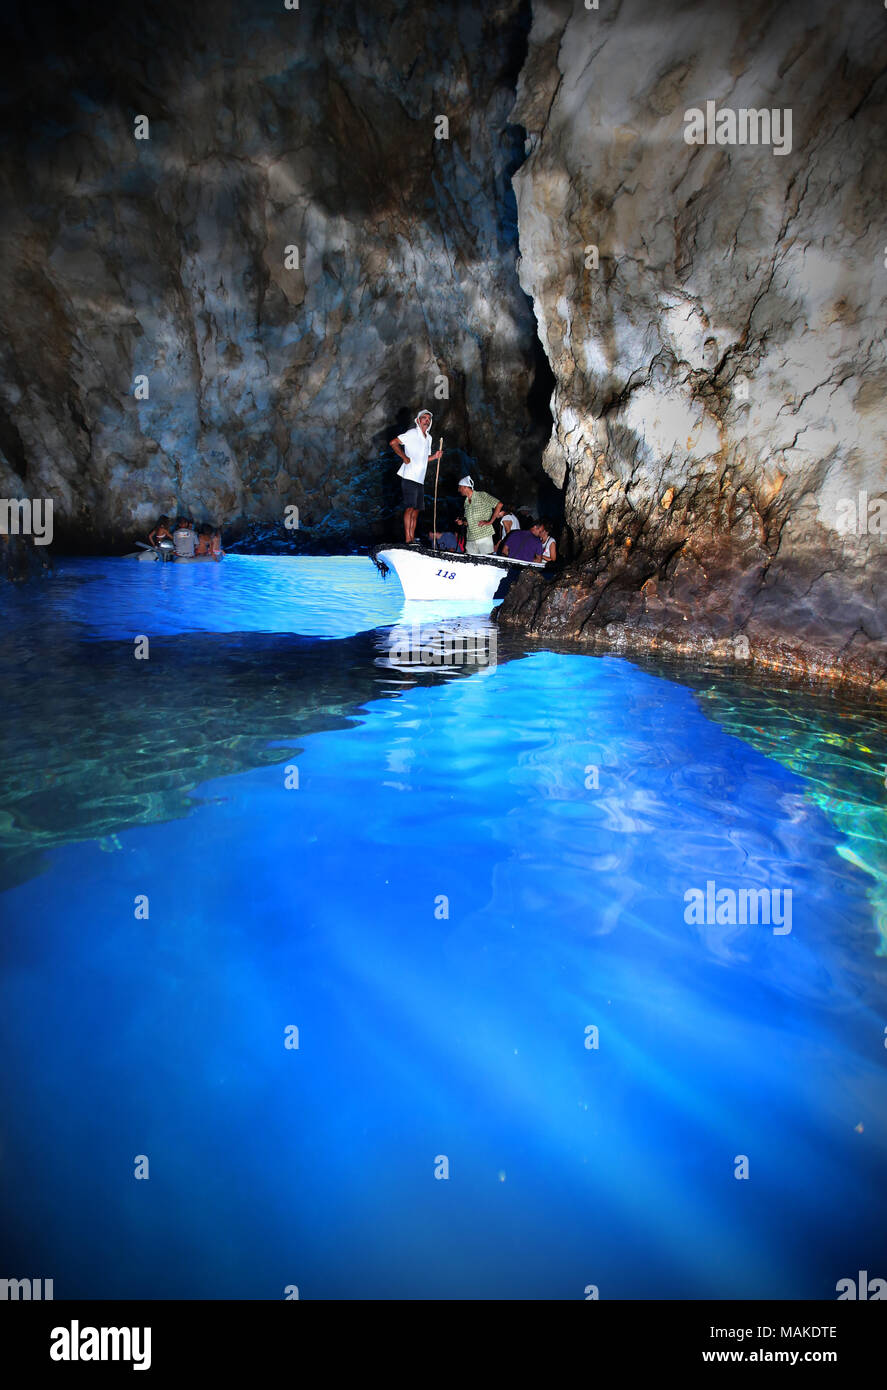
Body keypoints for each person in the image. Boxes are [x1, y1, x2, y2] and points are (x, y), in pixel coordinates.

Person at [390, 409, 442, 545]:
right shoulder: (412, 433)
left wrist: (435, 457)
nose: (427, 420)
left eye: (429, 419)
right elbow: (393, 443)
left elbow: (424, 458)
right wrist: (404, 457)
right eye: (424, 418)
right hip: (409, 476)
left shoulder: (428, 438)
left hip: (420, 479)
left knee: (417, 509)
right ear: (418, 421)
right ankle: (408, 539)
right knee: (410, 507)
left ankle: (412, 538)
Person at [458, 475, 502, 555]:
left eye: (460, 487)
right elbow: (468, 522)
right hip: (470, 538)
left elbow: (499, 504)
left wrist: (490, 521)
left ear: (465, 487)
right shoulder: (466, 502)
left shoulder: (482, 495)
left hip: (484, 536)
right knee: (469, 561)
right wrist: (463, 522)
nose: (459, 490)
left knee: (486, 561)